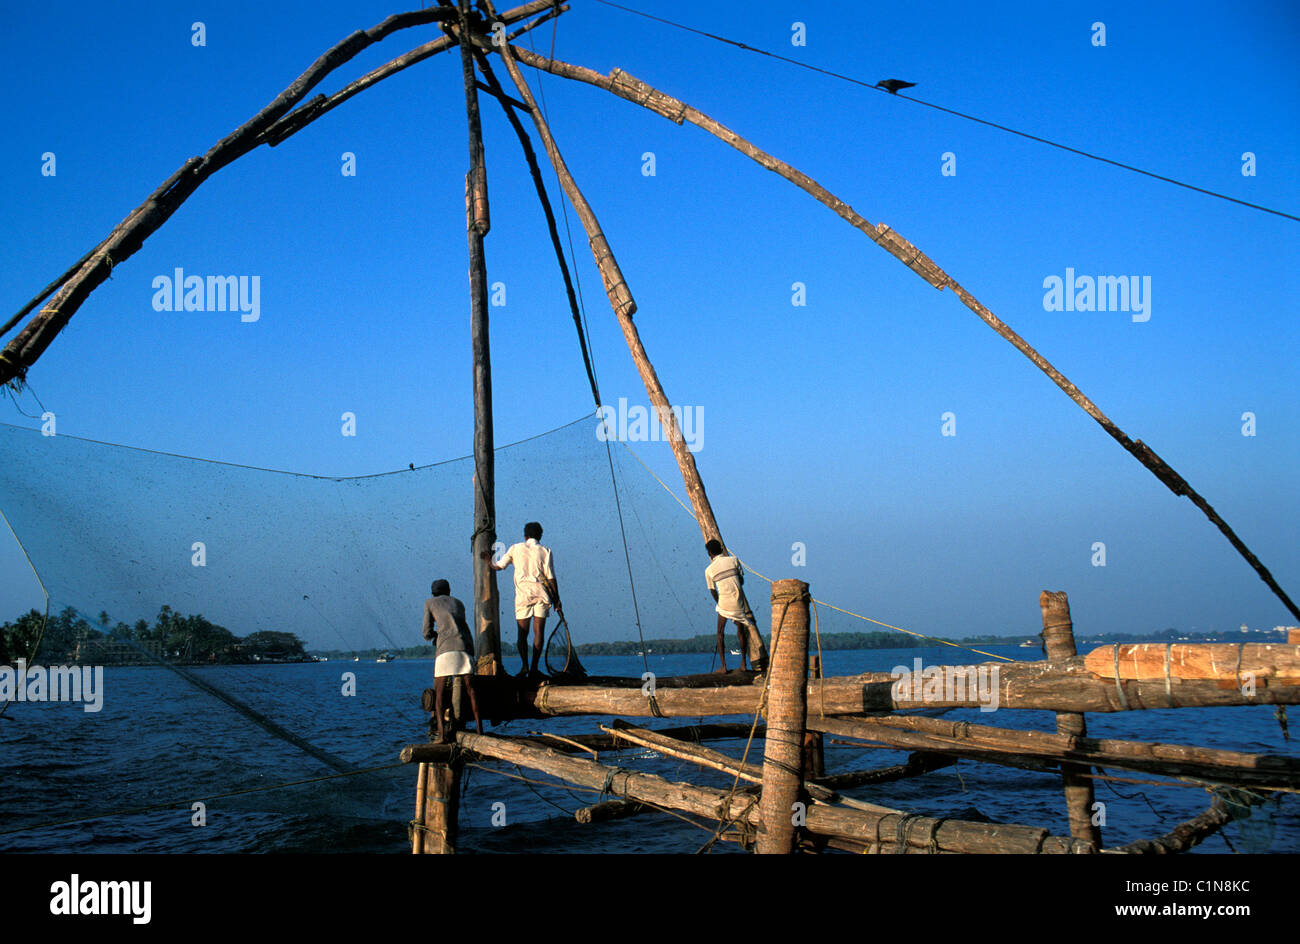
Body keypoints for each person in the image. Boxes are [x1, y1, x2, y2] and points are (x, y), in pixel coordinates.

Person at [485, 521, 561, 677]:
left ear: (525, 536)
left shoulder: (515, 548)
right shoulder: (545, 551)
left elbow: (498, 566)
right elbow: (551, 578)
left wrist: (487, 560)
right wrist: (557, 600)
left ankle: (525, 667)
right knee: (538, 633)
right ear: (540, 535)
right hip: (542, 595)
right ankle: (533, 668)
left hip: (523, 597)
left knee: (522, 635)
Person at [422, 578, 483, 744]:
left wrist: (435, 636)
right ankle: (479, 730)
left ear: (434, 593)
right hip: (464, 647)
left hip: (445, 649)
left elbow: (426, 632)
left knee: (439, 695)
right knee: (472, 692)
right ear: (449, 591)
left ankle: (442, 735)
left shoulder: (430, 602)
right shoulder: (459, 603)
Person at [704, 538, 768, 674]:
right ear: (721, 549)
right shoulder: (734, 560)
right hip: (738, 603)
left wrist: (720, 603)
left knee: (720, 633)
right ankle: (744, 664)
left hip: (724, 603)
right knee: (740, 632)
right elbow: (741, 580)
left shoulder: (709, 570)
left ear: (709, 553)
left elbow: (712, 590)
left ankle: (723, 666)